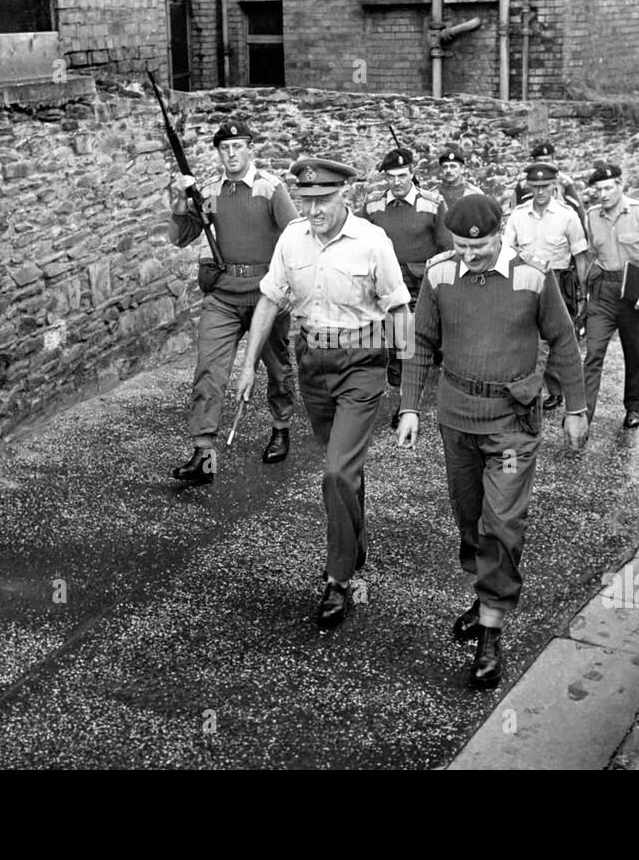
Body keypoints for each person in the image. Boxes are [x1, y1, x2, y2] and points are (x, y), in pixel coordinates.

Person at [396, 194, 588, 689]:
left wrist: (575, 408)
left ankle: (490, 629)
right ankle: (486, 594)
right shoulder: (439, 277)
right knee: (470, 518)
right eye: (462, 245)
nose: (471, 254)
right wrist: (411, 407)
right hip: (457, 420)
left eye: (479, 245)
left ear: (500, 233)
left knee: (501, 520)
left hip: (511, 426)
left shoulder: (533, 278)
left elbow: (564, 340)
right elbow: (421, 345)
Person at [235, 158, 411, 629]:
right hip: (312, 362)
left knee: (335, 472)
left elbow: (398, 308)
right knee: (344, 471)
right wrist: (249, 363)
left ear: (343, 198)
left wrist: (406, 386)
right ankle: (354, 543)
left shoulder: (373, 241)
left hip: (362, 362)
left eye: (322, 200)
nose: (313, 209)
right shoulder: (292, 237)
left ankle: (338, 580)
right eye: (306, 199)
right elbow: (271, 298)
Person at [168, 120, 299, 485]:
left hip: (266, 294)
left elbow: (295, 239)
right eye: (225, 147)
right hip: (223, 295)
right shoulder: (210, 191)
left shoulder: (271, 189)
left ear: (249, 148)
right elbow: (182, 236)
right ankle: (203, 454)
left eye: (238, 146)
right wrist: (181, 199)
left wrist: (289, 289)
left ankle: (280, 427)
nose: (231, 153)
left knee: (277, 366)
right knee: (209, 370)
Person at [363, 147, 450, 427]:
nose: (397, 181)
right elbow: (357, 240)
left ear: (413, 172)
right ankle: (402, 388)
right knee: (394, 347)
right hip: (384, 288)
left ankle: (406, 405)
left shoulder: (433, 204)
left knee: (408, 345)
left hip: (419, 288)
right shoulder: (373, 207)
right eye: (391, 176)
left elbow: (447, 248)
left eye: (402, 175)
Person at [581, 161, 639, 429]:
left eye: (608, 188)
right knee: (593, 352)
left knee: (634, 352)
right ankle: (584, 414)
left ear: (620, 186)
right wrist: (584, 292)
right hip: (603, 293)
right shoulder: (592, 216)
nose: (603, 194)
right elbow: (590, 256)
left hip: (633, 292)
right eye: (598, 189)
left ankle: (632, 407)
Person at [503, 162, 590, 410]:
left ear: (554, 186)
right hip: (526, 281)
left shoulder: (568, 216)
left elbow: (581, 258)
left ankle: (556, 389)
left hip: (559, 282)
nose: (540, 192)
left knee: (557, 338)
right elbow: (507, 251)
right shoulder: (518, 215)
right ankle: (532, 389)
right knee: (529, 338)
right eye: (536, 186)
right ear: (529, 185)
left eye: (546, 186)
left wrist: (584, 296)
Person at [512, 142, 584, 208]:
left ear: (553, 160)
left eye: (547, 161)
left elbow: (577, 207)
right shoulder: (523, 184)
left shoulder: (565, 182)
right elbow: (514, 206)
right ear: (534, 162)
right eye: (540, 161)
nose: (544, 164)